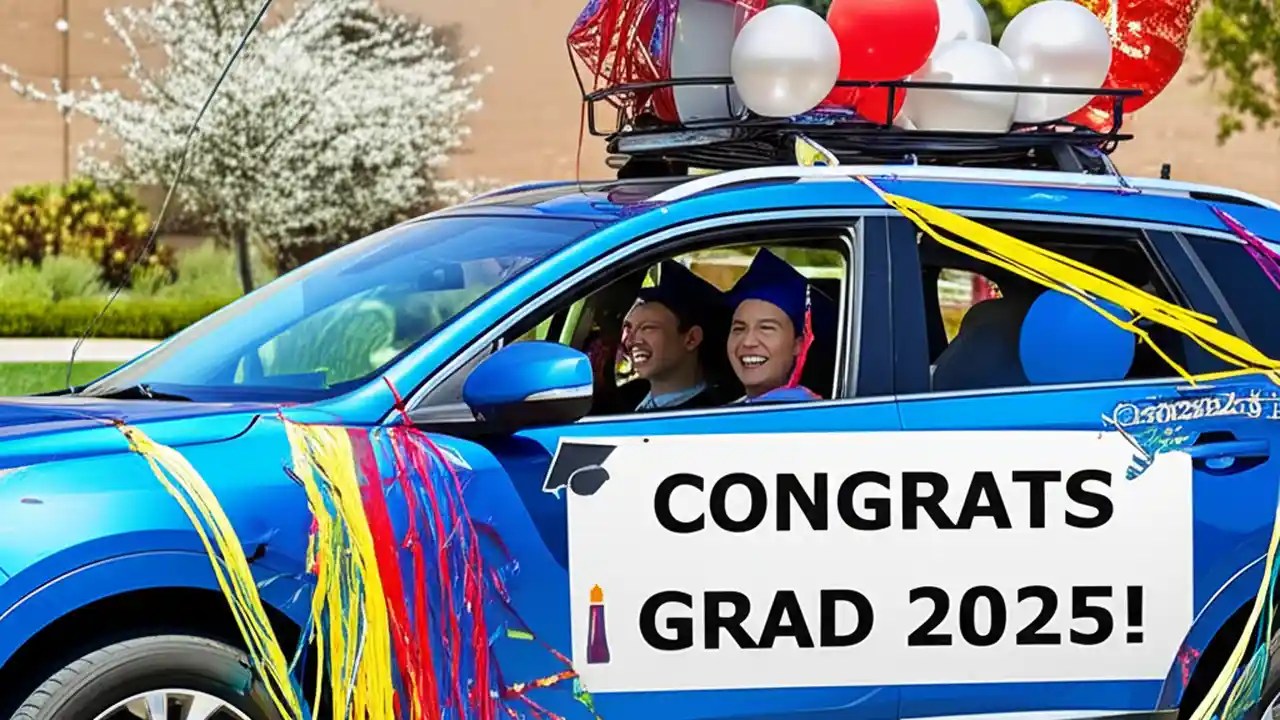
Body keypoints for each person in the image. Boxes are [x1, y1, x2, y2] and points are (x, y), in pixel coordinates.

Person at [620, 261, 735, 411]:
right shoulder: (625, 398)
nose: (631, 341)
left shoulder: (710, 414)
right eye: (629, 328)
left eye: (647, 328)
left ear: (691, 339)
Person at [724, 249, 835, 404]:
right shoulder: (727, 411)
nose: (748, 342)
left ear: (799, 344)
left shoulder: (805, 415)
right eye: (739, 329)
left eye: (766, 328)